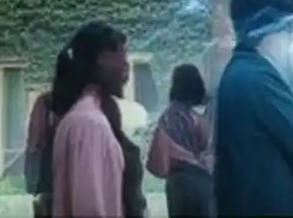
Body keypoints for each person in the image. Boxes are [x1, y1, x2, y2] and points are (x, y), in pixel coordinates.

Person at [214, 0, 293, 217]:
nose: (290, 38)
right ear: (267, 27)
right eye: (287, 28)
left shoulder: (238, 71)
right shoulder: (260, 78)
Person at [50, 21, 145, 218]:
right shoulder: (89, 124)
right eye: (122, 56)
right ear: (101, 58)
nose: (126, 66)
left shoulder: (83, 118)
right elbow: (89, 210)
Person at [147, 64, 213, 218]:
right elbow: (206, 144)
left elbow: (159, 161)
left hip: (179, 184)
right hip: (203, 181)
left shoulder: (168, 117)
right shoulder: (199, 115)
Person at [26, 52, 70, 218]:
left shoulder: (46, 101)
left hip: (49, 175)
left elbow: (34, 141)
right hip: (55, 175)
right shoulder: (47, 102)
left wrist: (32, 180)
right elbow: (35, 140)